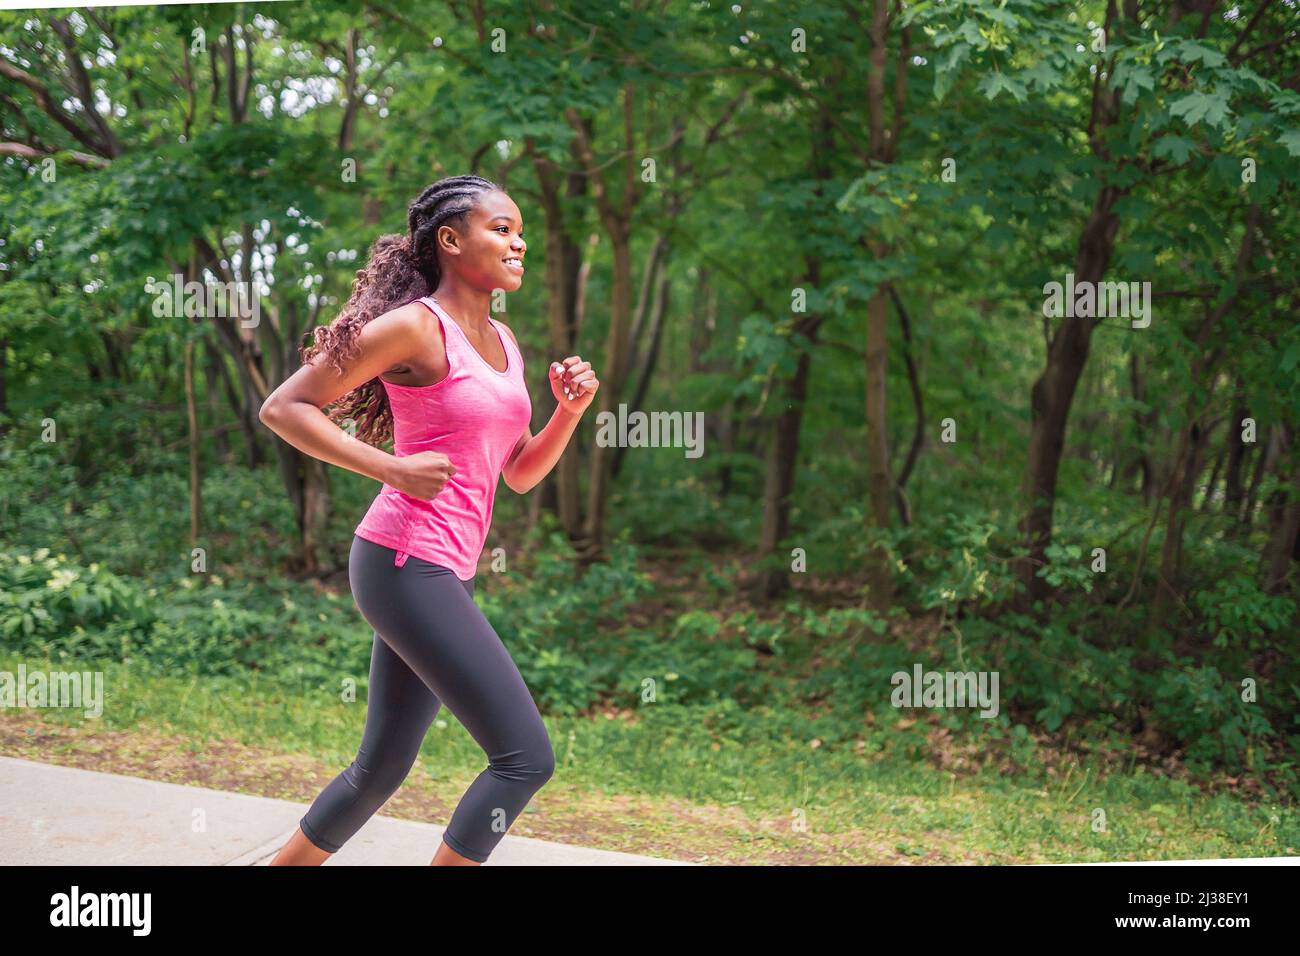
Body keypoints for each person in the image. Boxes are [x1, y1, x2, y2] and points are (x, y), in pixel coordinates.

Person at [258, 175, 599, 865]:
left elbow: (520, 472)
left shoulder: (503, 339)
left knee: (379, 769)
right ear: (451, 240)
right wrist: (390, 468)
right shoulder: (416, 326)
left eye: (520, 229)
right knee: (524, 757)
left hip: (442, 569)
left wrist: (568, 412)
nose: (519, 241)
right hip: (404, 561)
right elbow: (284, 407)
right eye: (501, 228)